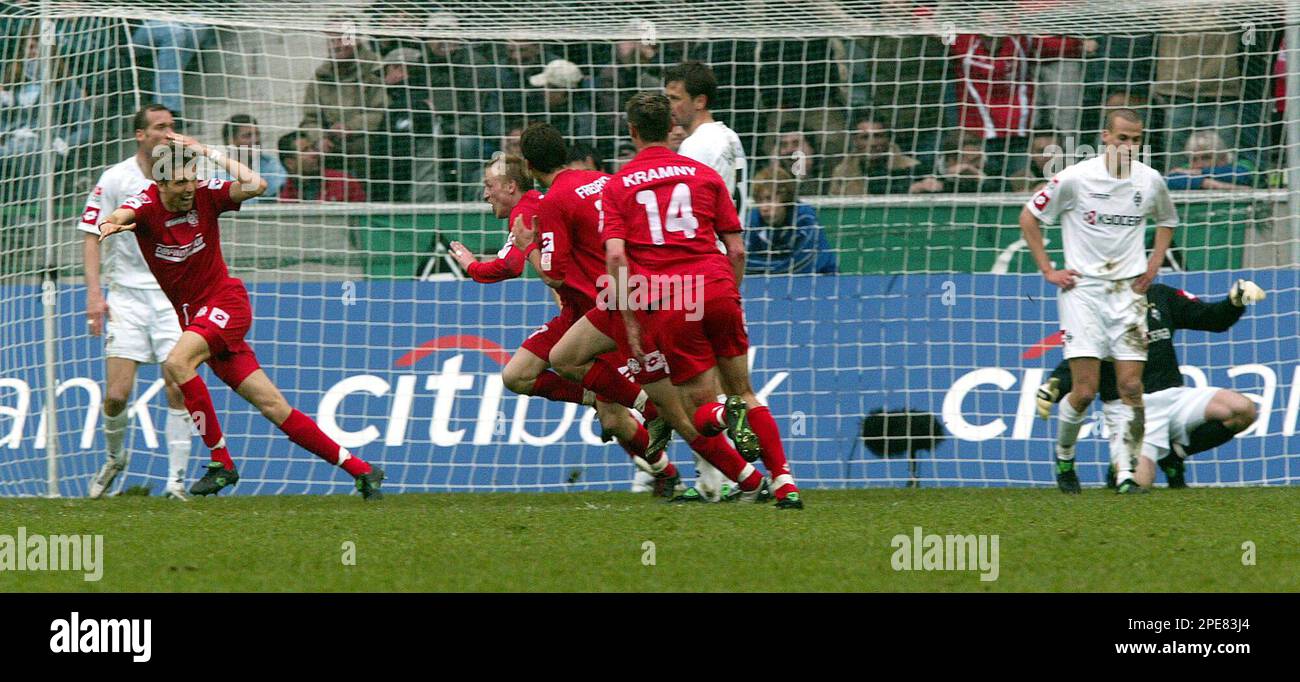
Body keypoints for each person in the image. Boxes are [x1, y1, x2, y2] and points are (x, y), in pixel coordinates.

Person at [96, 133, 385, 498]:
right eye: (181, 181)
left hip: (226, 303)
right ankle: (362, 470)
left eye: (193, 177)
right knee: (273, 405)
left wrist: (206, 152)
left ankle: (221, 462)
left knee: (176, 363)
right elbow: (122, 213)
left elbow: (257, 184)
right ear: (161, 182)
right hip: (195, 317)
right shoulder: (147, 203)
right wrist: (110, 224)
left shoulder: (206, 193)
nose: (189, 187)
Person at [556, 92, 804, 509]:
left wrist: (630, 315)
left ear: (632, 131)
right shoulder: (702, 174)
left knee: (699, 409)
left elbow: (615, 255)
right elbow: (737, 249)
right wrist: (731, 293)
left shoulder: (618, 185)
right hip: (718, 284)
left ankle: (725, 419)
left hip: (675, 298)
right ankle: (784, 482)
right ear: (672, 127)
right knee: (745, 390)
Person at [500, 125, 678, 494]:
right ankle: (606, 401)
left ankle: (668, 467)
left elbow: (552, 273)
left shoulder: (552, 202)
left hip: (604, 311)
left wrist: (527, 244)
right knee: (516, 375)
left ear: (530, 165)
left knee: (614, 417)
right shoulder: (603, 180)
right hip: (584, 308)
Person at [1020, 107, 1178, 494]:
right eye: (1122, 138)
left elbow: (1167, 222)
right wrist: (1048, 271)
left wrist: (1154, 265)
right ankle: (1065, 456)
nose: (1129, 146)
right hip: (1084, 291)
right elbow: (1029, 217)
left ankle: (1124, 471)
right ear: (1105, 137)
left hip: (1128, 294)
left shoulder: (1150, 181)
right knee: (1086, 390)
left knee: (1130, 388)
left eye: (1136, 139)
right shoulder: (1075, 178)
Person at [1036, 281, 1265, 489]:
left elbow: (1212, 319)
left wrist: (1236, 301)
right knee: (1139, 484)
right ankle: (1121, 466)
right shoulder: (1099, 307)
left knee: (1243, 410)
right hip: (1130, 411)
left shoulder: (1161, 295)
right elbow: (1082, 359)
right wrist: (1054, 385)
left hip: (1176, 398)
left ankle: (1175, 454)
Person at [78, 104, 191, 499]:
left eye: (173, 127)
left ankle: (176, 480)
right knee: (115, 395)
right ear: (140, 135)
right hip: (126, 297)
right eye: (160, 127)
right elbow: (92, 236)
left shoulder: (183, 177)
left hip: (171, 298)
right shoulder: (115, 179)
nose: (169, 133)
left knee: (178, 386)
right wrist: (95, 295)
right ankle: (114, 458)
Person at [662, 60, 749, 496]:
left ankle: (718, 479)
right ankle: (750, 475)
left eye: (676, 98)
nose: (670, 106)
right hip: (723, 269)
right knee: (727, 385)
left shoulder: (699, 147)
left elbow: (690, 216)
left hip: (696, 271)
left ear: (699, 100)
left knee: (695, 384)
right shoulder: (728, 138)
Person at [745, 165, 837, 275]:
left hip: (822, 279)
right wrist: (779, 266)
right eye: (759, 200)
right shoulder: (754, 220)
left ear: (785, 198)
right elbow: (741, 261)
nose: (764, 207)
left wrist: (764, 267)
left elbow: (803, 264)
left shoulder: (806, 218)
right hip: (772, 282)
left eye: (769, 199)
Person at [828, 112, 931, 195]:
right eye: (865, 137)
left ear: (888, 138)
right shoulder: (842, 173)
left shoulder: (913, 167)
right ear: (854, 141)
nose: (872, 143)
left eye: (878, 136)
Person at [277, 131, 367, 202]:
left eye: (312, 147)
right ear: (290, 163)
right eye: (305, 150)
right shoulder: (285, 197)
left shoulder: (344, 182)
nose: (315, 153)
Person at [216, 114, 286, 200]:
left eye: (257, 134)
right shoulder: (217, 174)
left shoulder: (272, 165)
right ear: (230, 141)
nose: (256, 140)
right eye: (248, 136)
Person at [1165, 131, 1255, 191]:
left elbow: (1241, 176)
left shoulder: (1243, 165)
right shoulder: (1188, 169)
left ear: (1222, 157)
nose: (1199, 164)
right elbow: (1168, 180)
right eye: (1194, 159)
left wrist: (1199, 173)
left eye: (1206, 158)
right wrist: (1208, 183)